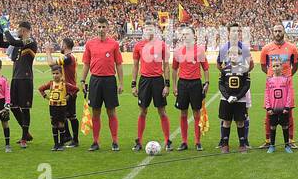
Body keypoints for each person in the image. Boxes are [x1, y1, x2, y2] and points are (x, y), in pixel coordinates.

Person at [80, 17, 125, 151]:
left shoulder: (114, 44)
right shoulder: (90, 44)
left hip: (110, 80)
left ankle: (115, 141)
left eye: (103, 27)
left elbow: (119, 64)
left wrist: (121, 82)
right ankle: (95, 141)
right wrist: (82, 80)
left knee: (111, 111)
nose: (101, 29)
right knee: (95, 112)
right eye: (99, 27)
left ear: (107, 28)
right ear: (96, 28)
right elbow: (86, 64)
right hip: (95, 80)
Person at [131, 20, 172, 151]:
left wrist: (167, 85)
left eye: (151, 29)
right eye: (147, 29)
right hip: (144, 81)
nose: (149, 31)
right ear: (143, 31)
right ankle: (139, 141)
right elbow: (135, 65)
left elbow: (166, 66)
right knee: (143, 111)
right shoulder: (138, 46)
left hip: (158, 81)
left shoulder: (162, 45)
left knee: (162, 111)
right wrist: (133, 83)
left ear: (155, 31)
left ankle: (167, 141)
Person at [259, 23, 298, 149]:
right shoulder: (266, 48)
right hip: (271, 85)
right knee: (268, 112)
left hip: (287, 85)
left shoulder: (292, 48)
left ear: (284, 32)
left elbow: (295, 67)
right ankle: (268, 140)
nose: (278, 33)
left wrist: (285, 78)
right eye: (275, 31)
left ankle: (290, 140)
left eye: (280, 31)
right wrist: (273, 78)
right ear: (273, 32)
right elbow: (263, 66)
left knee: (289, 112)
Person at [0, 20, 37, 147]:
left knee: (25, 109)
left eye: (18, 29)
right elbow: (0, 43)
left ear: (24, 30)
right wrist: (0, 30)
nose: (16, 31)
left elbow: (13, 41)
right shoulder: (19, 44)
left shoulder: (30, 41)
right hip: (15, 78)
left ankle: (24, 138)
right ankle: (26, 133)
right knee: (13, 107)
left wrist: (6, 29)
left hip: (25, 79)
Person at [171, 24, 209, 151]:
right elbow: (174, 69)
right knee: (183, 113)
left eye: (187, 33)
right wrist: (175, 86)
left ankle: (198, 141)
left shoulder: (199, 51)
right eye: (183, 34)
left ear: (194, 36)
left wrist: (207, 82)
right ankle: (184, 141)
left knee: (196, 112)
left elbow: (205, 68)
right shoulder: (178, 51)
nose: (185, 36)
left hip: (195, 84)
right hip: (182, 84)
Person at [217, 22, 254, 149]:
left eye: (237, 31)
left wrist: (242, 75)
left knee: (244, 114)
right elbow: (219, 64)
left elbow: (251, 64)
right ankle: (223, 140)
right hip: (228, 87)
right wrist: (227, 76)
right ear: (228, 32)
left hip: (241, 87)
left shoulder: (244, 48)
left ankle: (245, 141)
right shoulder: (223, 48)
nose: (235, 33)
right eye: (233, 31)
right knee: (225, 115)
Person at [39, 64, 79, 151]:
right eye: (53, 73)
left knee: (61, 124)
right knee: (54, 125)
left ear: (61, 74)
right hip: (52, 107)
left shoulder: (64, 84)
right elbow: (40, 89)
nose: (55, 75)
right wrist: (46, 96)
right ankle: (55, 144)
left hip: (62, 107)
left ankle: (61, 144)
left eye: (57, 73)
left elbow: (76, 89)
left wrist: (69, 96)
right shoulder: (50, 83)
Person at [263, 62, 295, 153]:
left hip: (283, 108)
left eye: (278, 66)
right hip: (273, 108)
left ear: (281, 67)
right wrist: (268, 107)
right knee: (272, 127)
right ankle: (272, 146)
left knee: (285, 126)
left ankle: (287, 145)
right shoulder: (269, 80)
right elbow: (267, 94)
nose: (276, 67)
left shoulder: (286, 79)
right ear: (271, 68)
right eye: (274, 66)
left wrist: (287, 107)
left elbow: (289, 93)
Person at [58, 38, 80, 148]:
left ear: (65, 45)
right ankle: (68, 136)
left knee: (71, 116)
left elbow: (52, 64)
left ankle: (75, 140)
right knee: (64, 115)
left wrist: (47, 51)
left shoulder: (67, 57)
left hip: (70, 90)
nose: (60, 46)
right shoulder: (72, 57)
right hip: (69, 89)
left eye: (61, 44)